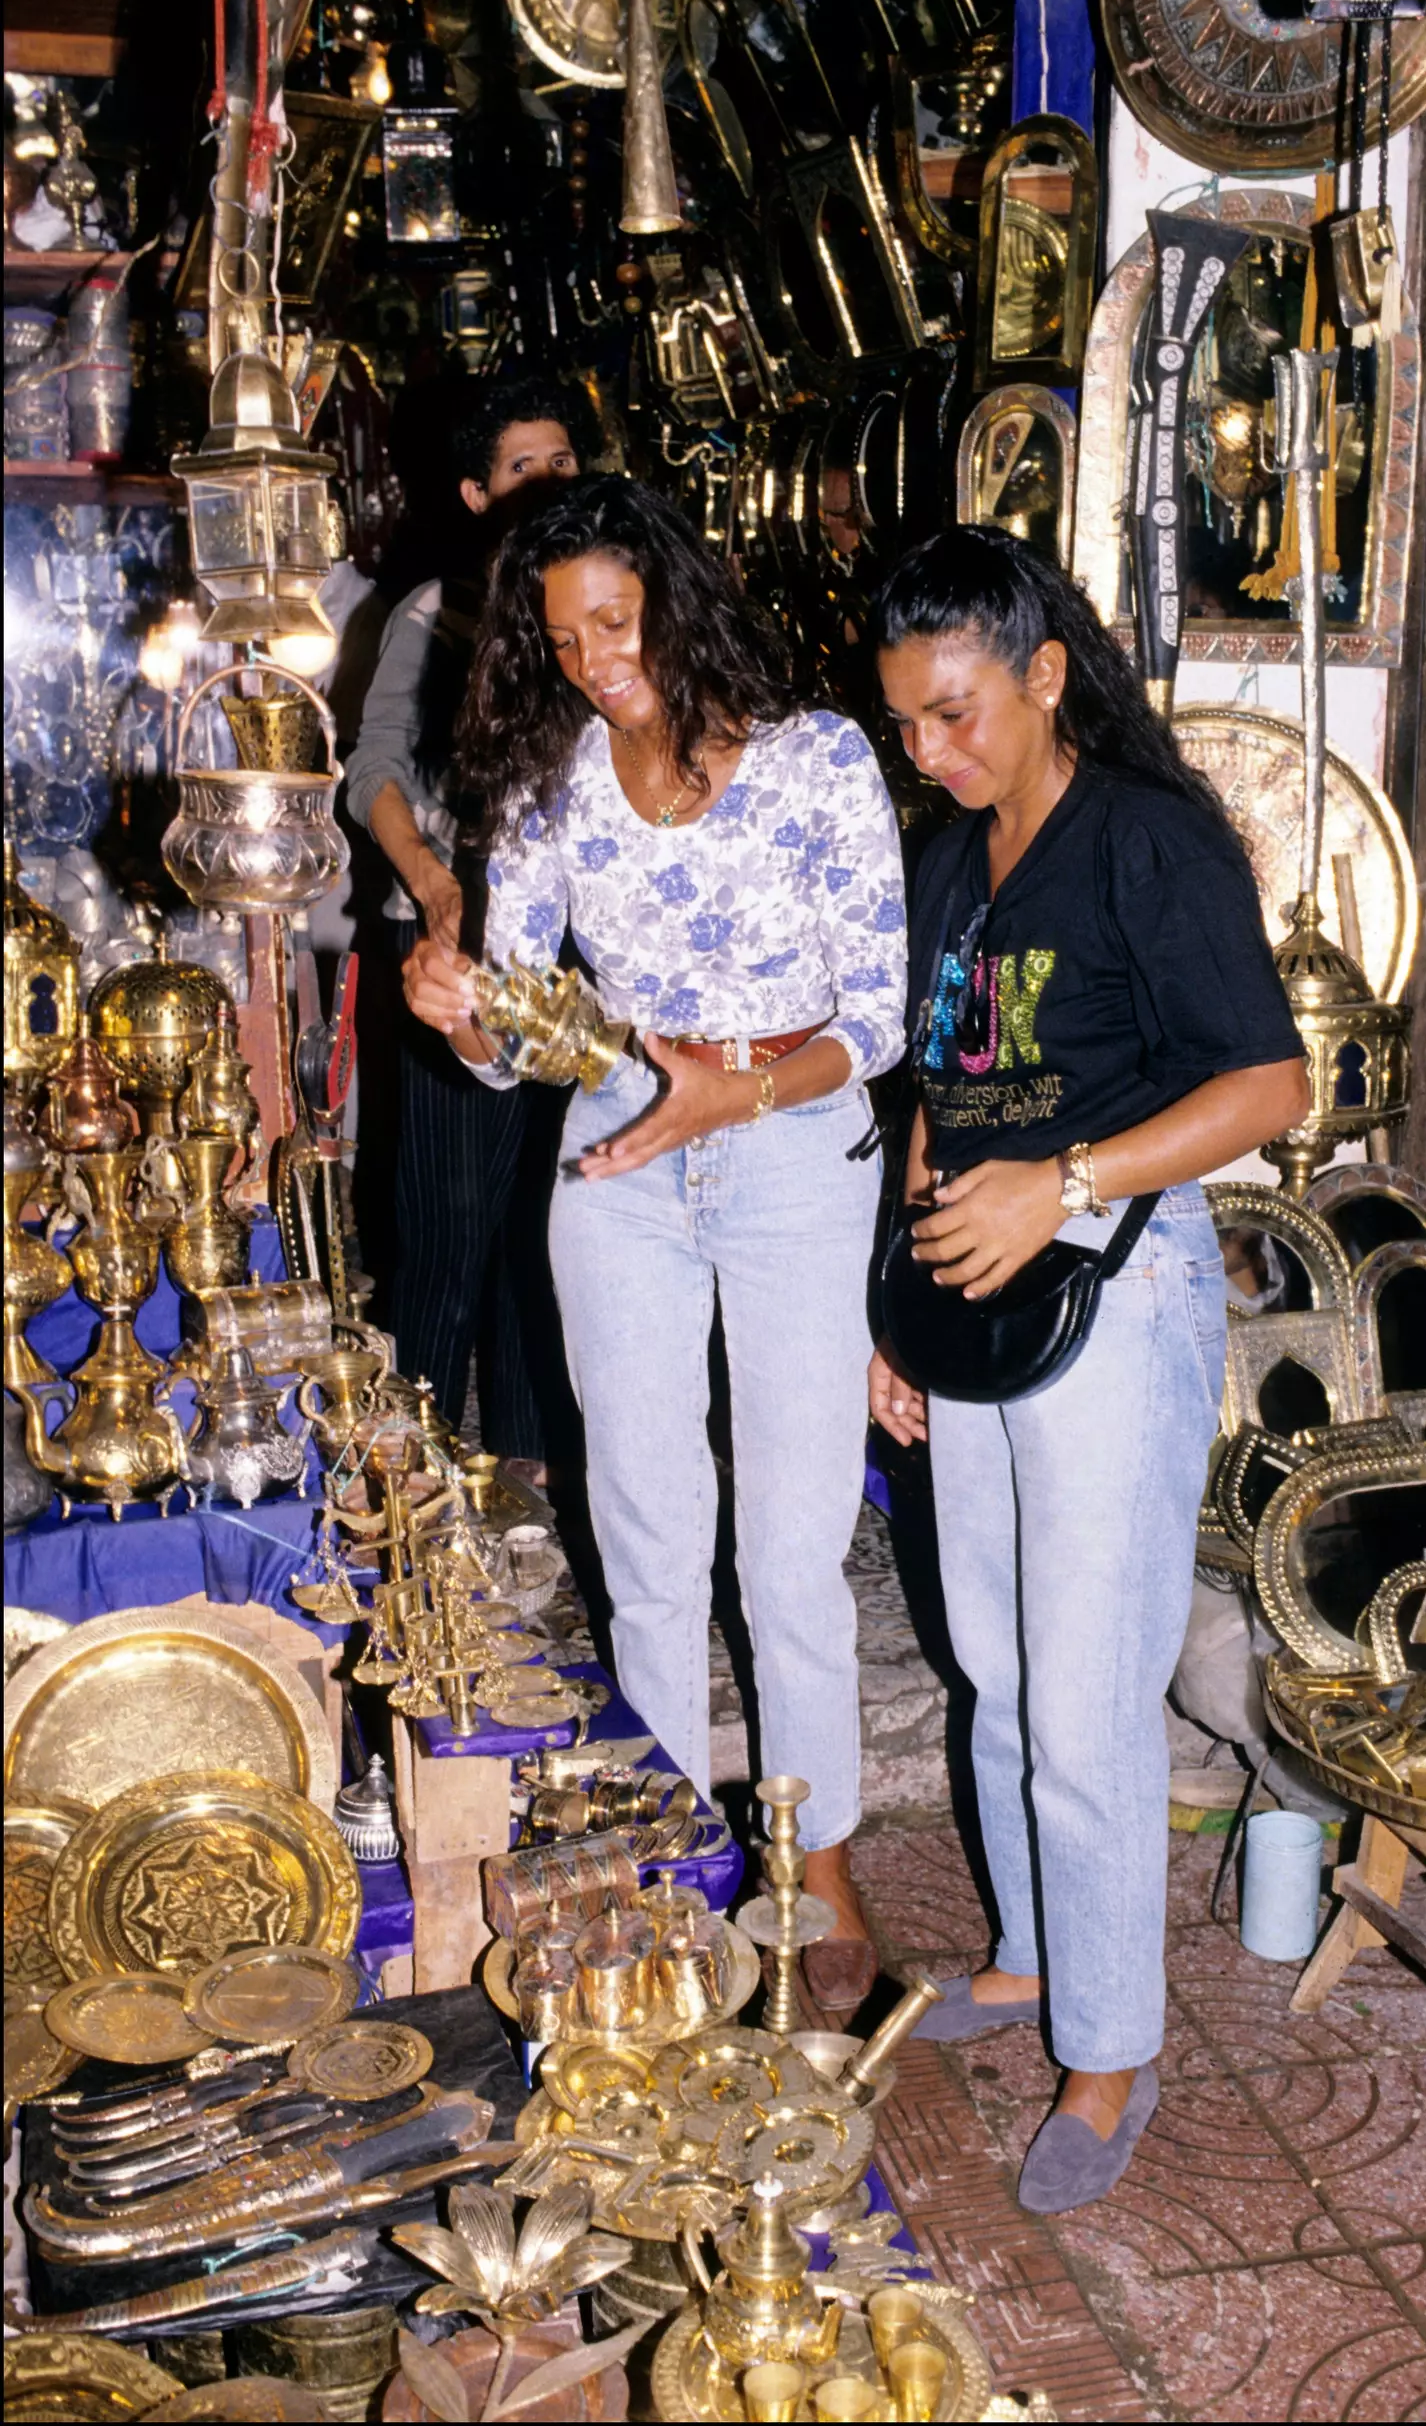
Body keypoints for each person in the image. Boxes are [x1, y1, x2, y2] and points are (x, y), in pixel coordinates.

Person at [402, 476, 907, 2008]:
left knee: (795, 1539)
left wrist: (733, 1086)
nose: (593, 659)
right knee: (643, 1529)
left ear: (675, 601)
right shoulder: (554, 782)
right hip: (618, 1154)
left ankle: (811, 1854)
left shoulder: (817, 759)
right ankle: (678, 1851)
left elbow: (877, 1016)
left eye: (613, 622)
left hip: (792, 1149)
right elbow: (514, 1026)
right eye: (562, 639)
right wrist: (465, 1014)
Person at [868, 526, 1309, 2209]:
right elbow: (931, 1089)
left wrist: (1065, 1182)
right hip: (969, 1297)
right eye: (909, 720)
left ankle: (1110, 2045)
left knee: (1088, 1695)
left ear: (1047, 673)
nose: (936, 748)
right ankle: (1038, 1951)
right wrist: (890, 1308)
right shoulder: (955, 857)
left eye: (959, 711)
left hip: (1116, 1290)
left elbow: (1267, 1084)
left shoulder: (1148, 838)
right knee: (992, 1654)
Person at [344, 374, 593, 1462]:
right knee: (448, 1221)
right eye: (519, 467)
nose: (546, 483)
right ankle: (418, 1493)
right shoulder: (436, 609)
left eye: (561, 462)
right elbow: (373, 770)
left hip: (576, 954)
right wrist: (436, 884)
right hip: (449, 944)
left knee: (548, 1229)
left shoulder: (606, 612)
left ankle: (529, 1484)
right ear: (473, 492)